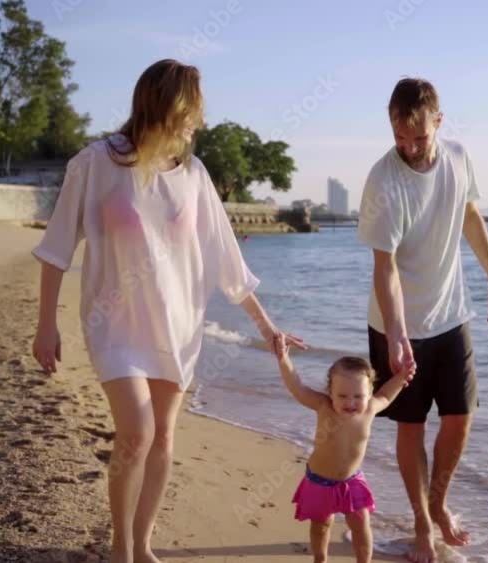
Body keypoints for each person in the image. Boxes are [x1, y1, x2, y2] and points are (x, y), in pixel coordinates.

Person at [30, 59, 305, 563]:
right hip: (114, 324)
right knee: (137, 433)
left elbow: (228, 262)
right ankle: (120, 547)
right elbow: (56, 248)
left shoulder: (194, 175)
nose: (197, 122)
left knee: (162, 438)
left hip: (177, 327)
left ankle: (142, 542)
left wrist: (267, 328)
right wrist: (45, 325)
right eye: (192, 111)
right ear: (167, 107)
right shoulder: (95, 164)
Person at [356, 77, 488, 563]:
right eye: (400, 137)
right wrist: (399, 335)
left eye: (419, 137)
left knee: (460, 419)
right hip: (396, 322)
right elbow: (386, 267)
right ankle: (422, 522)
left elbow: (469, 216)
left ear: (438, 122)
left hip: (450, 315)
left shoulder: (459, 157)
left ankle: (438, 503)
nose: (409, 146)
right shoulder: (383, 181)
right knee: (411, 426)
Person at [274, 334, 416, 563]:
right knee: (321, 525)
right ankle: (320, 559)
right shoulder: (323, 406)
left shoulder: (370, 408)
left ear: (369, 393)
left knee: (361, 524)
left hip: (352, 481)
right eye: (342, 396)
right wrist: (283, 360)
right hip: (319, 480)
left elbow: (387, 394)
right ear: (330, 392)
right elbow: (297, 387)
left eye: (358, 396)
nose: (350, 403)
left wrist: (401, 377)